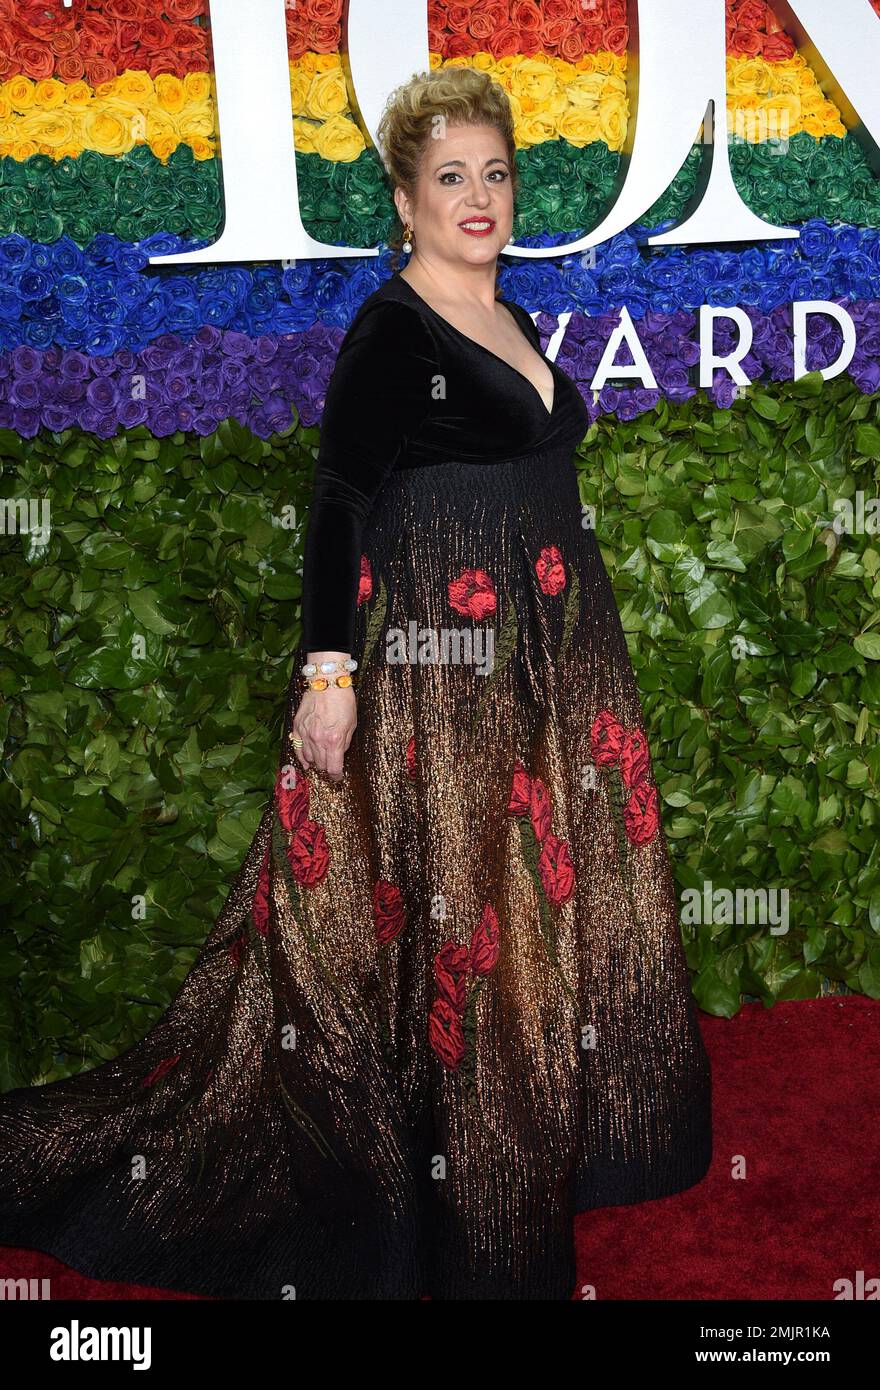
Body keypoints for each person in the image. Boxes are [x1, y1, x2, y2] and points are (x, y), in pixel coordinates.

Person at [0, 67, 711, 1301]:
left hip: (548, 657)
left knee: (542, 904)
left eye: (493, 175)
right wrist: (329, 671)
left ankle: (540, 1141)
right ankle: (468, 1187)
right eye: (450, 179)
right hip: (445, 670)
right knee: (474, 917)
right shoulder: (394, 330)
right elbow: (339, 505)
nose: (477, 198)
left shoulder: (511, 317)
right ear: (404, 199)